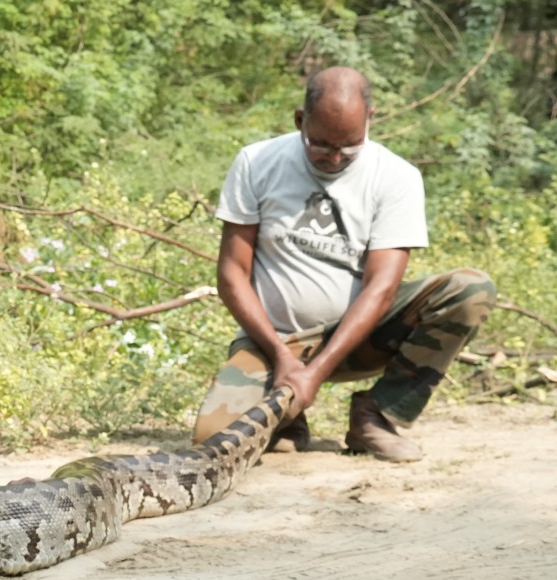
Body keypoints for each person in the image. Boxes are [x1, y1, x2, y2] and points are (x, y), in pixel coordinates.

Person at [193, 66, 496, 460]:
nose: (335, 158)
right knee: (213, 441)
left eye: (350, 146)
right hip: (275, 342)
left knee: (471, 289)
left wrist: (315, 374)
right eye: (320, 144)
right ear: (300, 120)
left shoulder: (397, 177)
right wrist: (283, 358)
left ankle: (375, 415)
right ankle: (288, 416)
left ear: (370, 120)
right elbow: (232, 274)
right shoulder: (256, 162)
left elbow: (381, 288)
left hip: (360, 339)